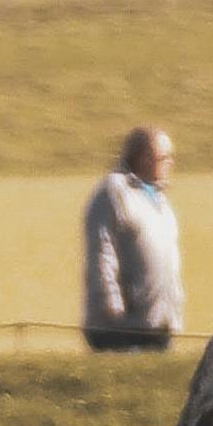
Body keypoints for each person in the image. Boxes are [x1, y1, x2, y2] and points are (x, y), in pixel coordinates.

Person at [81, 124, 185, 353]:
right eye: (164, 157)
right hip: (123, 328)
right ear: (143, 158)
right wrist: (111, 312)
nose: (170, 163)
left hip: (158, 324)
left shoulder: (160, 201)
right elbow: (102, 255)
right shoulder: (114, 192)